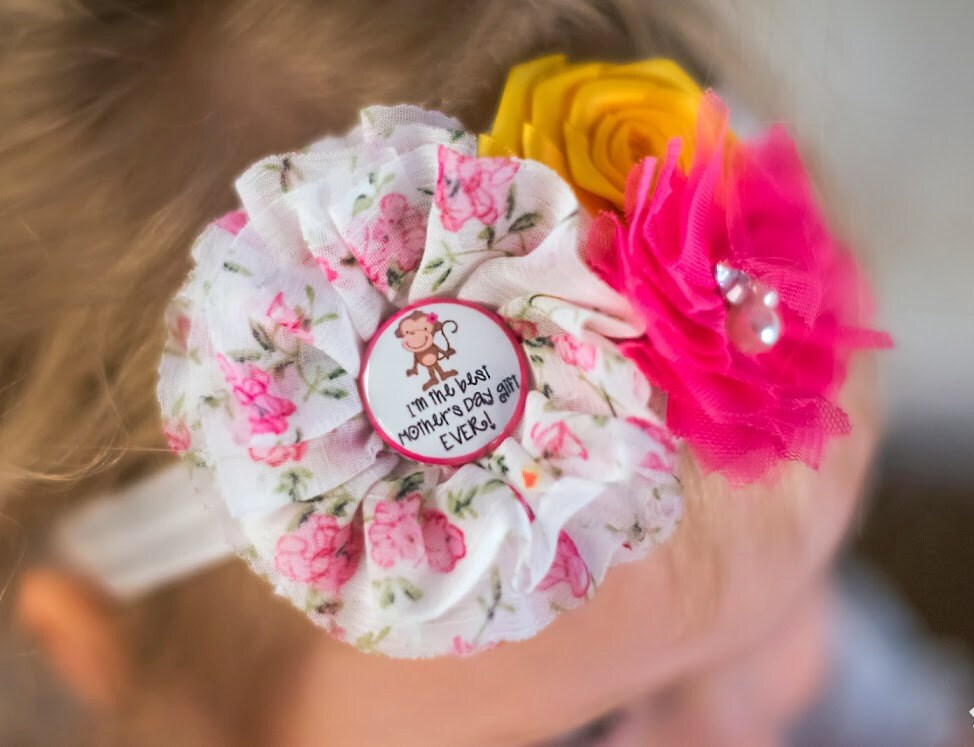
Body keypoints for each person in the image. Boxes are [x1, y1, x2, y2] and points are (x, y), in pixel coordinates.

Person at [0, 2, 885, 744]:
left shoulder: (788, 667)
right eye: (593, 731)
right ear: (112, 658)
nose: (767, 728)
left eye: (815, 584)